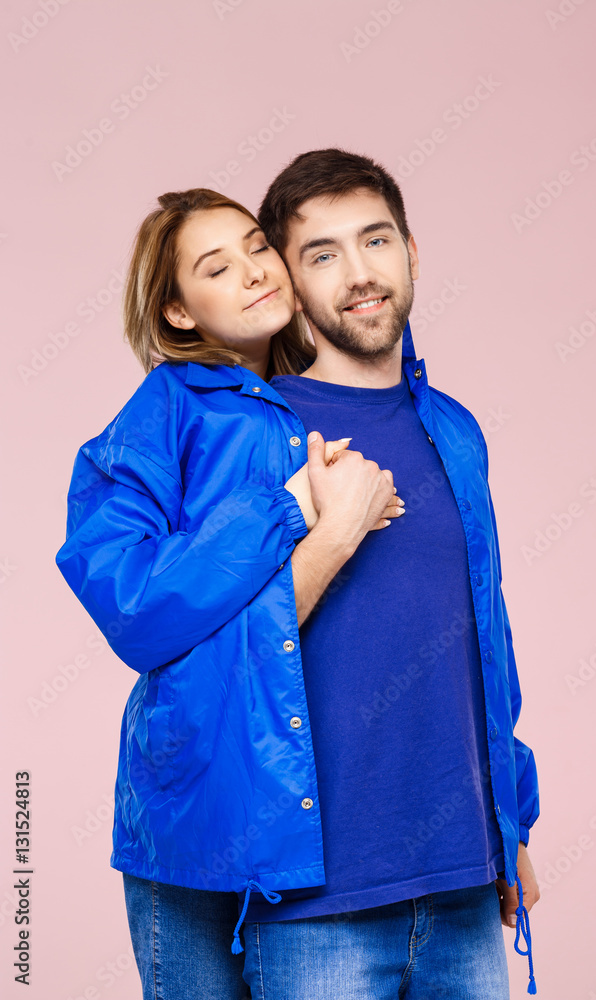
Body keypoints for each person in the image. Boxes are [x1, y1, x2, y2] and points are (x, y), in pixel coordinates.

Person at [54, 187, 406, 1000]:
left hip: (324, 822)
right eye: (216, 268)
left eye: (257, 247)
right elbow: (131, 601)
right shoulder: (166, 411)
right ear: (178, 312)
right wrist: (286, 507)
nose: (254, 272)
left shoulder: (333, 393)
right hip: (194, 805)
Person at [231, 147, 541, 999]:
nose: (359, 273)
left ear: (410, 252)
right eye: (322, 254)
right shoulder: (254, 430)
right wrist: (329, 536)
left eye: (374, 240)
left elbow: (484, 634)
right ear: (290, 286)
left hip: (465, 884)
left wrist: (511, 819)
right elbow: (220, 650)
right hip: (313, 903)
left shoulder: (454, 428)